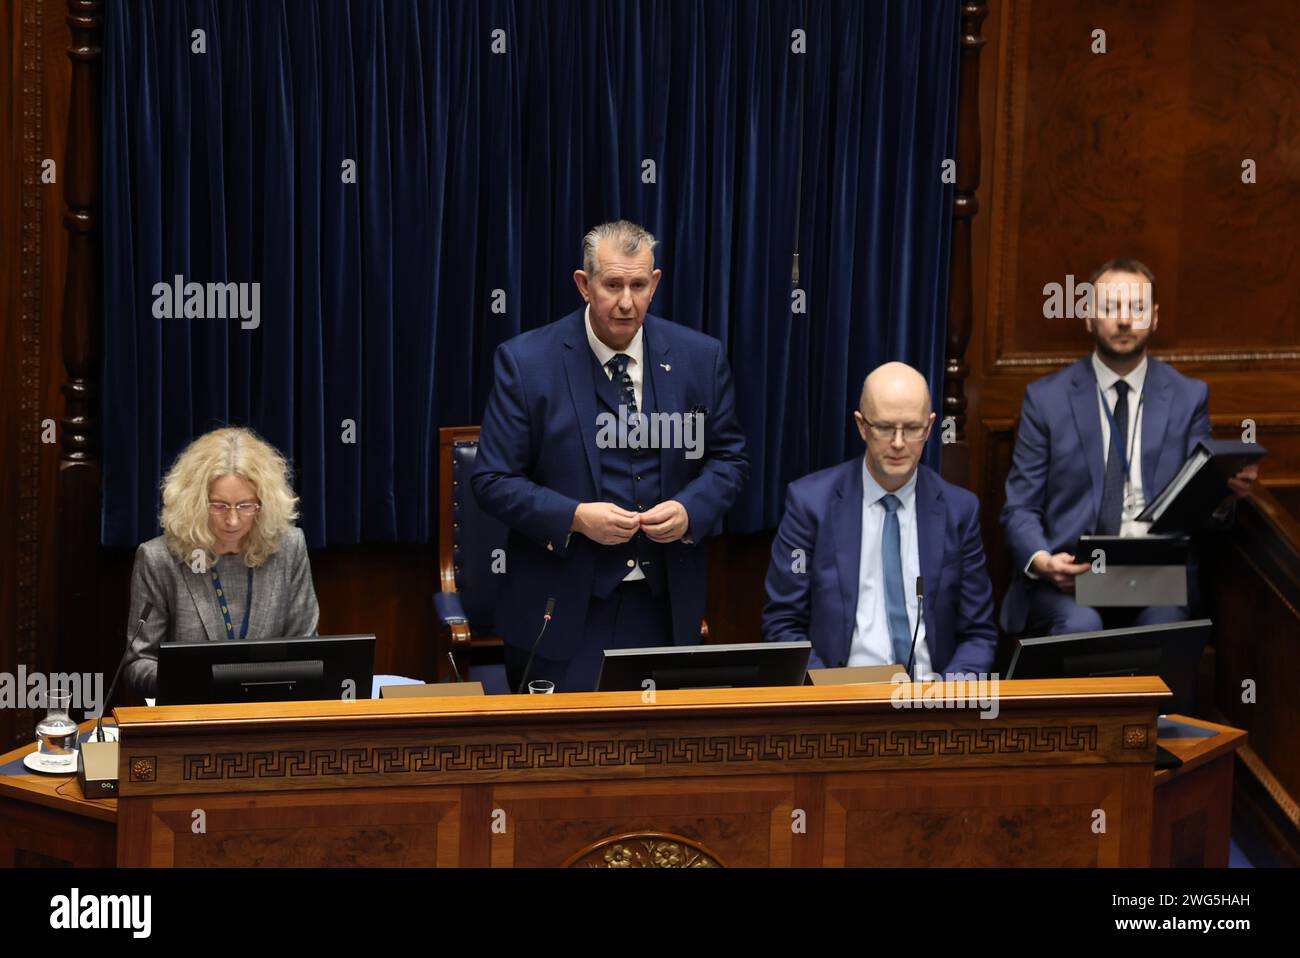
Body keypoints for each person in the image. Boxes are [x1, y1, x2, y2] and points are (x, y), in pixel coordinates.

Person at [472, 220, 749, 693]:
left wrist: (689, 510)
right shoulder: (526, 363)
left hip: (664, 609)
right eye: (612, 285)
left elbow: (729, 460)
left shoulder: (699, 359)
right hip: (561, 609)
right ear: (584, 285)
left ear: (655, 283)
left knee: (662, 760)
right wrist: (575, 517)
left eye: (638, 285)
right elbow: (493, 480)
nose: (626, 302)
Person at [1000, 257, 1258, 636]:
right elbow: (1019, 508)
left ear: (1154, 317)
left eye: (1136, 308)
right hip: (1072, 576)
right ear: (1088, 315)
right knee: (1079, 625)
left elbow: (1198, 504)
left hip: (1154, 576)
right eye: (1110, 307)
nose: (1124, 320)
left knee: (1166, 625)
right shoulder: (1046, 400)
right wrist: (1042, 561)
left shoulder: (1188, 397)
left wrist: (1224, 495)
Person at [762, 362, 997, 678]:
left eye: (912, 429)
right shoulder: (810, 505)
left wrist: (949, 695)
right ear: (862, 426)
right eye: (885, 428)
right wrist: (827, 691)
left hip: (932, 697)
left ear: (929, 428)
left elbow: (978, 634)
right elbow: (782, 625)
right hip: (843, 697)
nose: (899, 443)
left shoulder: (959, 510)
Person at [124, 427, 320, 698]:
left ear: (264, 503)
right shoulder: (159, 559)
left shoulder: (288, 549)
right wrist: (192, 682)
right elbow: (138, 663)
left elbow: (307, 649)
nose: (232, 520)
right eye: (218, 505)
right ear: (195, 502)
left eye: (245, 506)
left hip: (270, 713)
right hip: (193, 718)